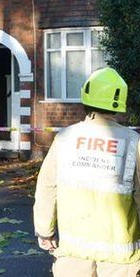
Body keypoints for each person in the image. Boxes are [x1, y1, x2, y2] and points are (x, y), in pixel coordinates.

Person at [34, 67, 140, 276]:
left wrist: (45, 230)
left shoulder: (65, 138)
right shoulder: (133, 142)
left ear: (86, 96)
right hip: (120, 258)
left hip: (73, 254)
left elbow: (47, 186)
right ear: (120, 102)